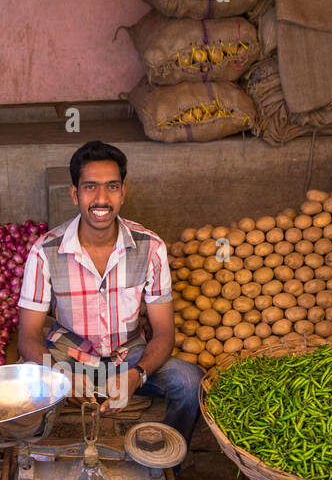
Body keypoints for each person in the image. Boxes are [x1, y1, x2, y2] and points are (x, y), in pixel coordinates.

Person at [16, 140, 203, 443]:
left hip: (130, 357)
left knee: (190, 381)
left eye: (112, 187)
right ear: (75, 194)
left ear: (123, 192)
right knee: (25, 383)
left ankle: (164, 461)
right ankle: (44, 461)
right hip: (68, 358)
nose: (101, 199)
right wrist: (61, 377)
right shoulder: (45, 250)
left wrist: (136, 376)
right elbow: (27, 338)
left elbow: (165, 332)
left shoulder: (150, 246)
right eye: (90, 187)